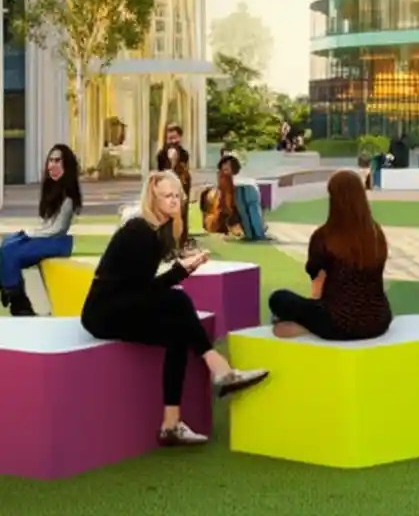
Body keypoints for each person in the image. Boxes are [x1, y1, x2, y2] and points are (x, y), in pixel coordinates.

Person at [81, 171, 269, 446]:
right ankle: (220, 368)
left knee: (177, 335)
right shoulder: (139, 232)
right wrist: (181, 272)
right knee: (176, 301)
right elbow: (143, 291)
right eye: (166, 196)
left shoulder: (158, 231)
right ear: (153, 199)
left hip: (124, 304)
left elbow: (141, 290)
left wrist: (183, 269)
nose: (173, 201)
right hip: (104, 312)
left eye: (177, 196)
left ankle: (171, 424)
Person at [269, 171, 393, 340]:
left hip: (338, 323)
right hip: (379, 321)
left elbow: (316, 280)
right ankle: (311, 325)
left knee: (279, 298)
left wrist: (313, 312)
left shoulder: (324, 236)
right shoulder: (376, 233)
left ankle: (308, 327)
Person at [1, 145, 83, 316]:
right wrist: (27, 234)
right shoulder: (52, 190)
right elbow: (47, 226)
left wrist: (29, 234)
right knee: (7, 244)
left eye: (57, 161)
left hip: (57, 243)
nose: (52, 165)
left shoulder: (69, 195)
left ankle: (16, 298)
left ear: (67, 165)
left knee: (9, 251)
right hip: (47, 237)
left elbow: (57, 229)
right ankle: (14, 294)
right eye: (50, 161)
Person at [156, 124, 192, 248]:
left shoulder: (184, 154)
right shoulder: (161, 154)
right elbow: (161, 172)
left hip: (181, 186)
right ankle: (166, 242)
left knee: (182, 213)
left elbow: (183, 172)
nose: (172, 141)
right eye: (169, 138)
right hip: (166, 187)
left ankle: (182, 241)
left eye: (174, 138)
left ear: (180, 137)